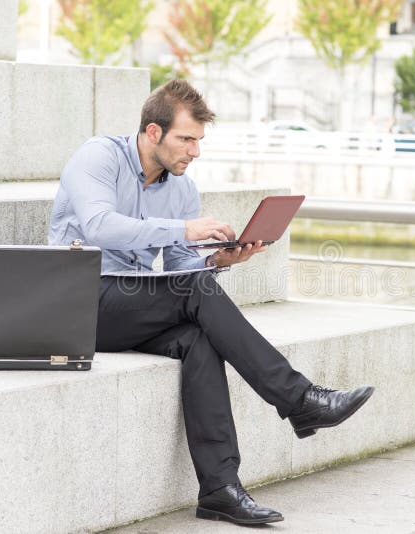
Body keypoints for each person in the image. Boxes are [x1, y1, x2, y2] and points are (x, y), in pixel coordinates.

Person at [48, 80, 374, 525]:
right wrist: (184, 232)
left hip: (130, 305)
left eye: (199, 141)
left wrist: (218, 260)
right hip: (77, 303)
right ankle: (299, 399)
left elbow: (182, 266)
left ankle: (220, 489)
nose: (194, 152)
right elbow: (100, 226)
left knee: (197, 339)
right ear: (152, 133)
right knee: (194, 297)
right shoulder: (99, 157)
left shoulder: (181, 187)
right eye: (186, 139)